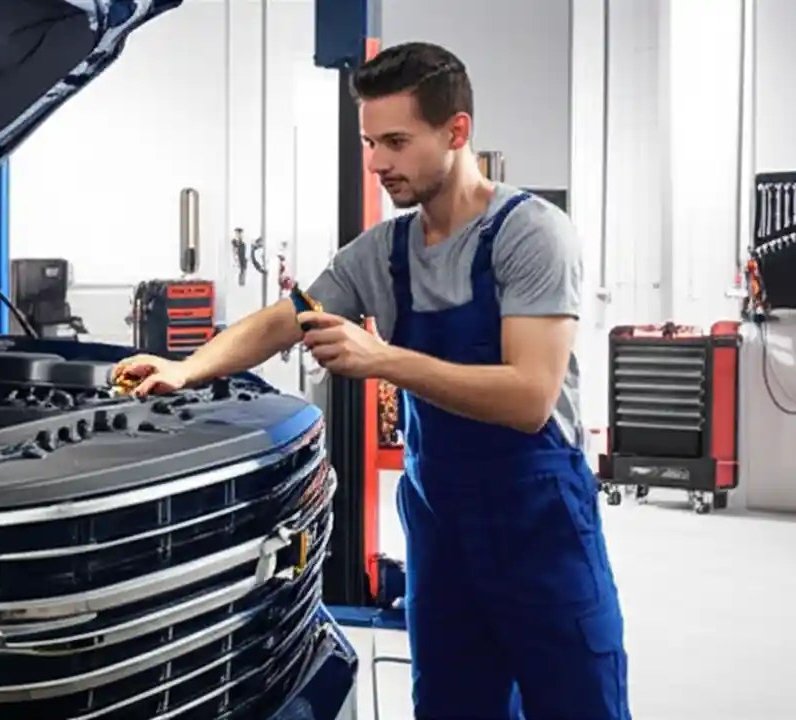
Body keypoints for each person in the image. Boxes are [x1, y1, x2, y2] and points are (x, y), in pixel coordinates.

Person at [113, 42, 630, 720]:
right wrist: (186, 367)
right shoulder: (383, 252)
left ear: (457, 132)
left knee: (575, 701)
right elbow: (285, 320)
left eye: (395, 141)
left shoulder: (529, 234)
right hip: (441, 522)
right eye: (368, 142)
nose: (377, 162)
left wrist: (381, 359)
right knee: (452, 705)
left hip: (539, 523)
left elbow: (528, 398)